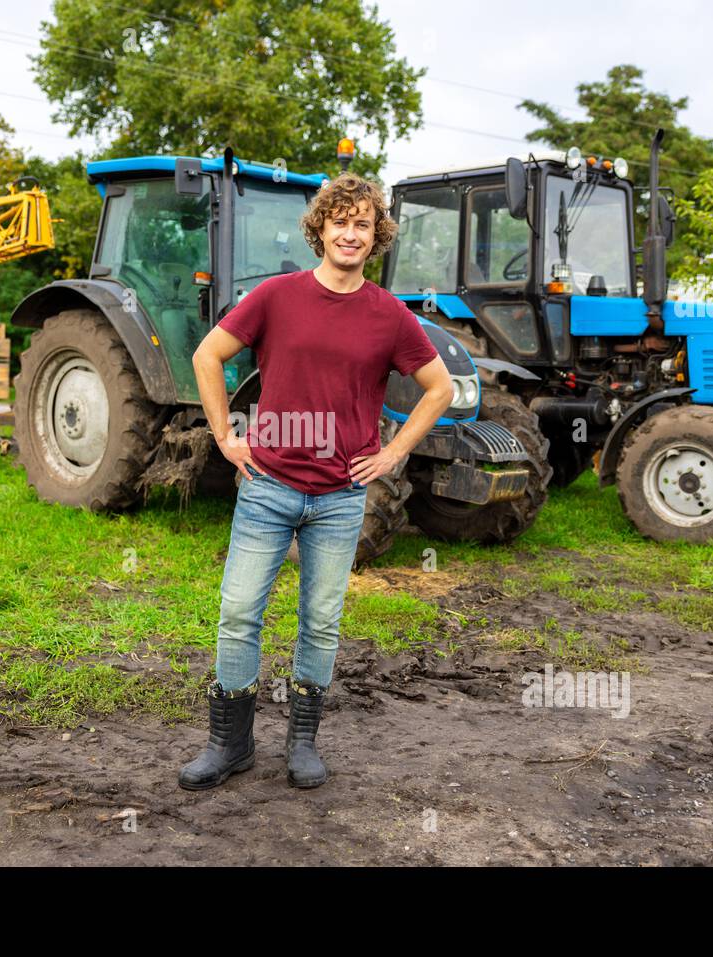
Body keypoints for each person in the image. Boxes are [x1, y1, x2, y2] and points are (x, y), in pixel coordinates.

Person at [179, 171, 453, 790]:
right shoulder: (277, 296)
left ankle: (302, 743)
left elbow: (440, 389)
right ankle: (230, 744)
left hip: (340, 496)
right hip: (269, 485)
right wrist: (226, 437)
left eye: (363, 223)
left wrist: (392, 454)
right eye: (340, 221)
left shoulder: (389, 315)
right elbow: (207, 356)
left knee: (321, 621)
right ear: (320, 228)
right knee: (240, 612)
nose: (350, 233)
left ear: (375, 234)